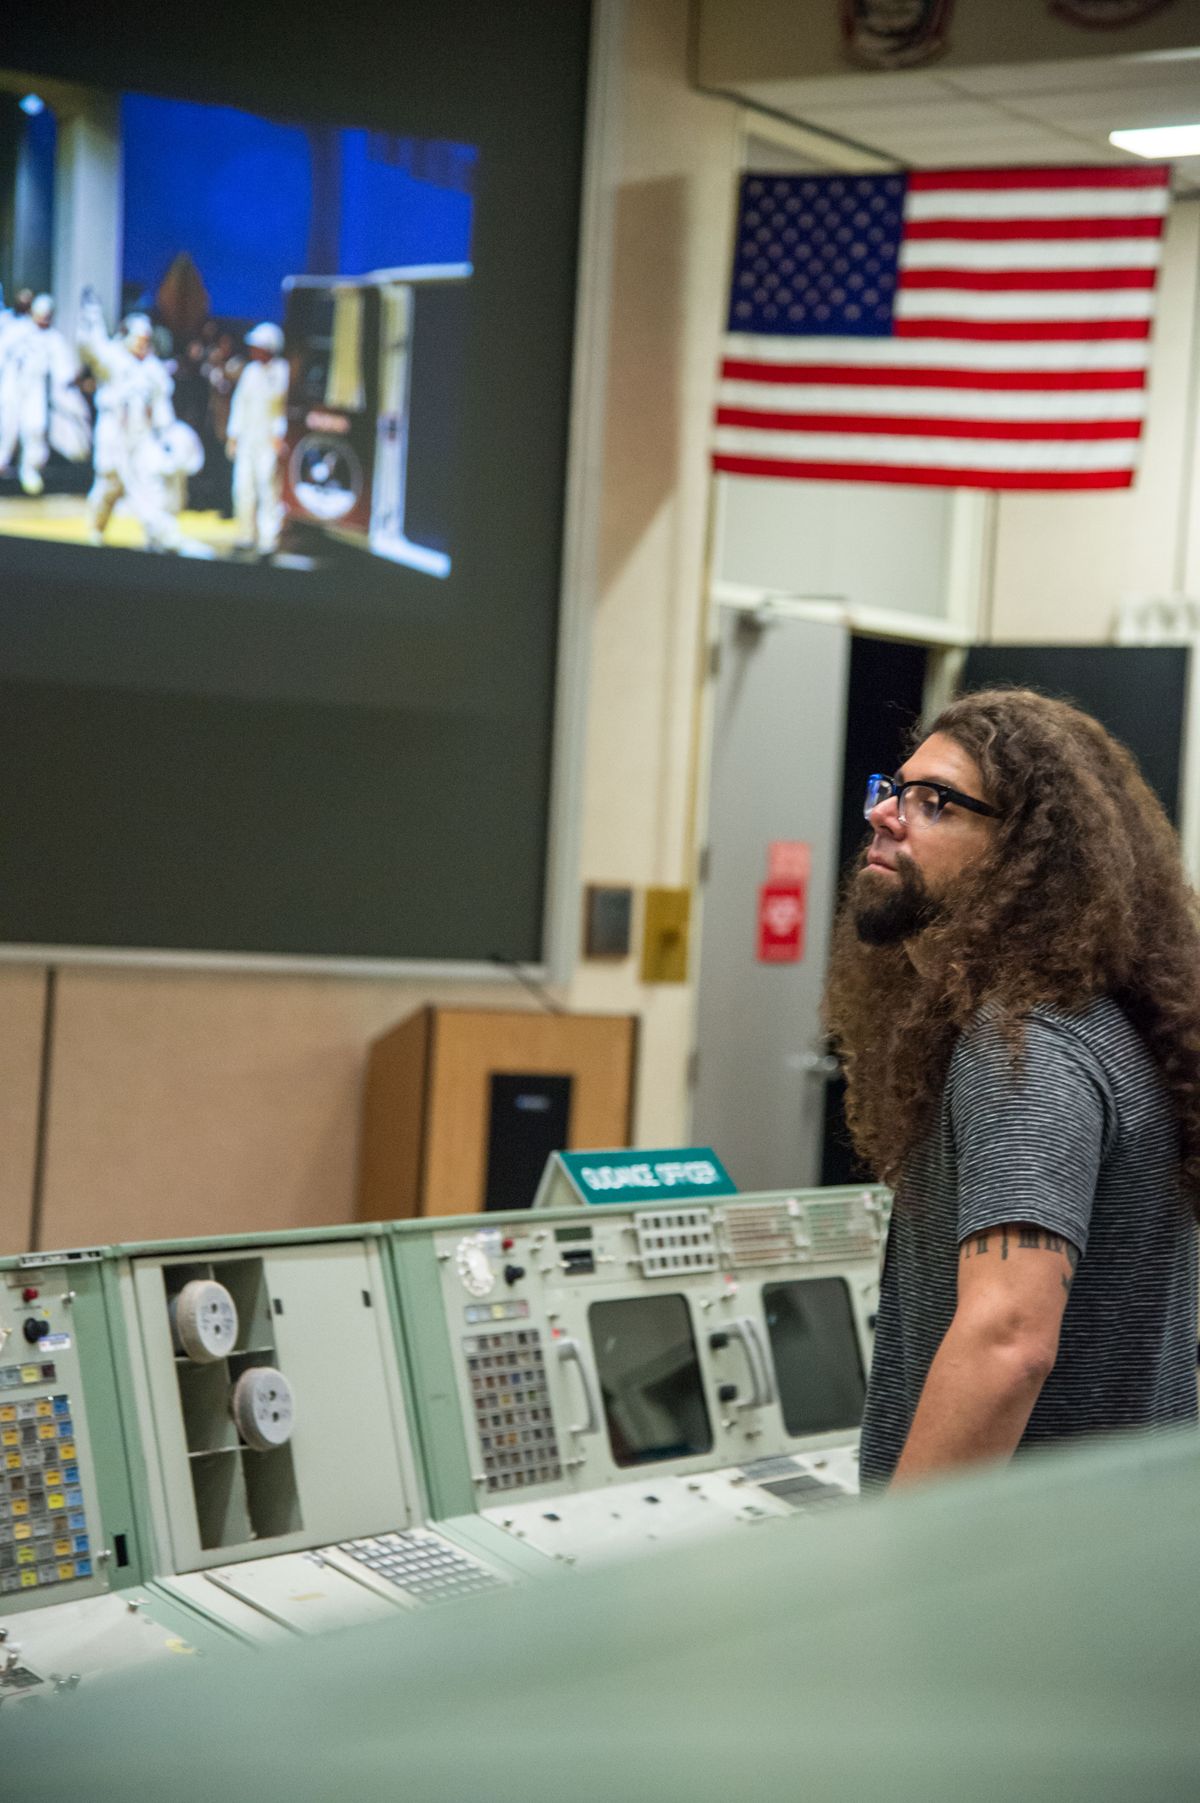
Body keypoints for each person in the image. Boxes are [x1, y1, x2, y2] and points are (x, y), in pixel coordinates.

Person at [824, 687, 1200, 1488]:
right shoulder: (1106, 1024)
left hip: (1029, 1580)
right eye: (892, 790)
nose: (887, 815)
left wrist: (894, 1568)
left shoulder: (1023, 1047)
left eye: (937, 803)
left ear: (1028, 854)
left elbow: (1008, 1341)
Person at [77, 291, 206, 554]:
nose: (142, 345)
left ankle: (156, 540)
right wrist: (92, 316)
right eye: (138, 339)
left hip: (143, 437)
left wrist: (166, 437)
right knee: (108, 487)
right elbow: (91, 346)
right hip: (114, 435)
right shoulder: (113, 360)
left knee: (151, 489)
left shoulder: (153, 370)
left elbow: (161, 407)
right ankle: (96, 531)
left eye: (146, 340)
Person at [0, 293, 91, 493]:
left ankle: (30, 470)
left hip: (35, 388)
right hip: (12, 385)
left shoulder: (53, 339)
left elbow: (64, 371)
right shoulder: (15, 330)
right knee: (6, 426)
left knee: (35, 427)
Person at [226, 322, 288, 554]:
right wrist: (234, 435)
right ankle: (245, 535)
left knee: (267, 489)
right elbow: (239, 404)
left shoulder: (281, 371)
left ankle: (268, 539)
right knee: (242, 488)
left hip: (267, 441)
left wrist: (278, 436)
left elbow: (280, 408)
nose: (254, 351)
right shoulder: (251, 371)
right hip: (247, 440)